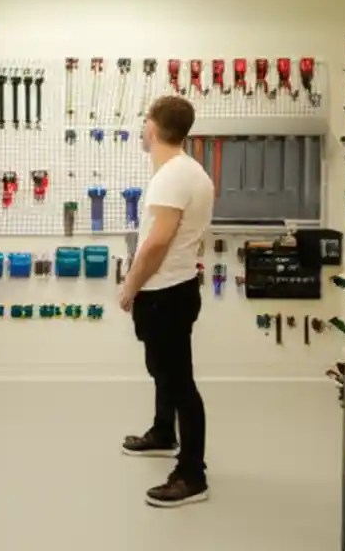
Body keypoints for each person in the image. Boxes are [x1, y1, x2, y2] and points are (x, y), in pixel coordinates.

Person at [118, 95, 215, 508]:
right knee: (163, 369)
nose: (143, 130)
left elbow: (157, 242)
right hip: (176, 289)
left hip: (164, 293)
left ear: (154, 128)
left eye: (145, 123)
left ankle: (192, 473)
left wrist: (130, 285)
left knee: (178, 380)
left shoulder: (170, 176)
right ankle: (162, 432)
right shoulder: (192, 172)